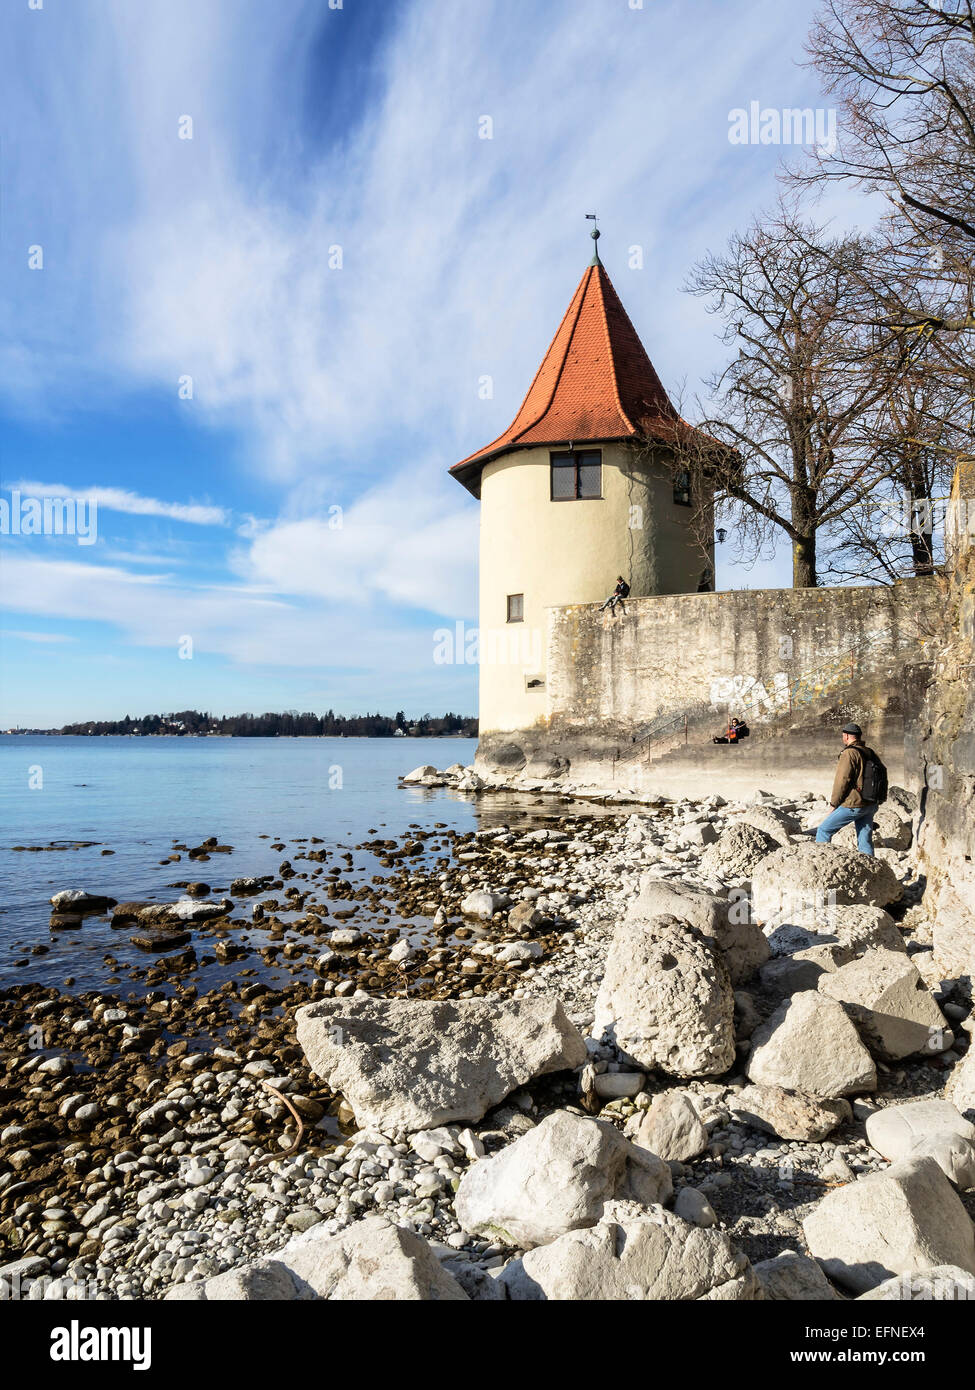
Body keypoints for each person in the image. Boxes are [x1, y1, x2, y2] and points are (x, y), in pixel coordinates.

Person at [815, 722, 888, 856]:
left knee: (824, 830)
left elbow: (842, 781)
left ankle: (821, 861)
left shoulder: (849, 753)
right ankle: (871, 870)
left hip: (854, 804)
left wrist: (833, 804)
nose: (843, 738)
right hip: (870, 803)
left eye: (843, 735)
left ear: (847, 736)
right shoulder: (870, 752)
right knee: (864, 839)